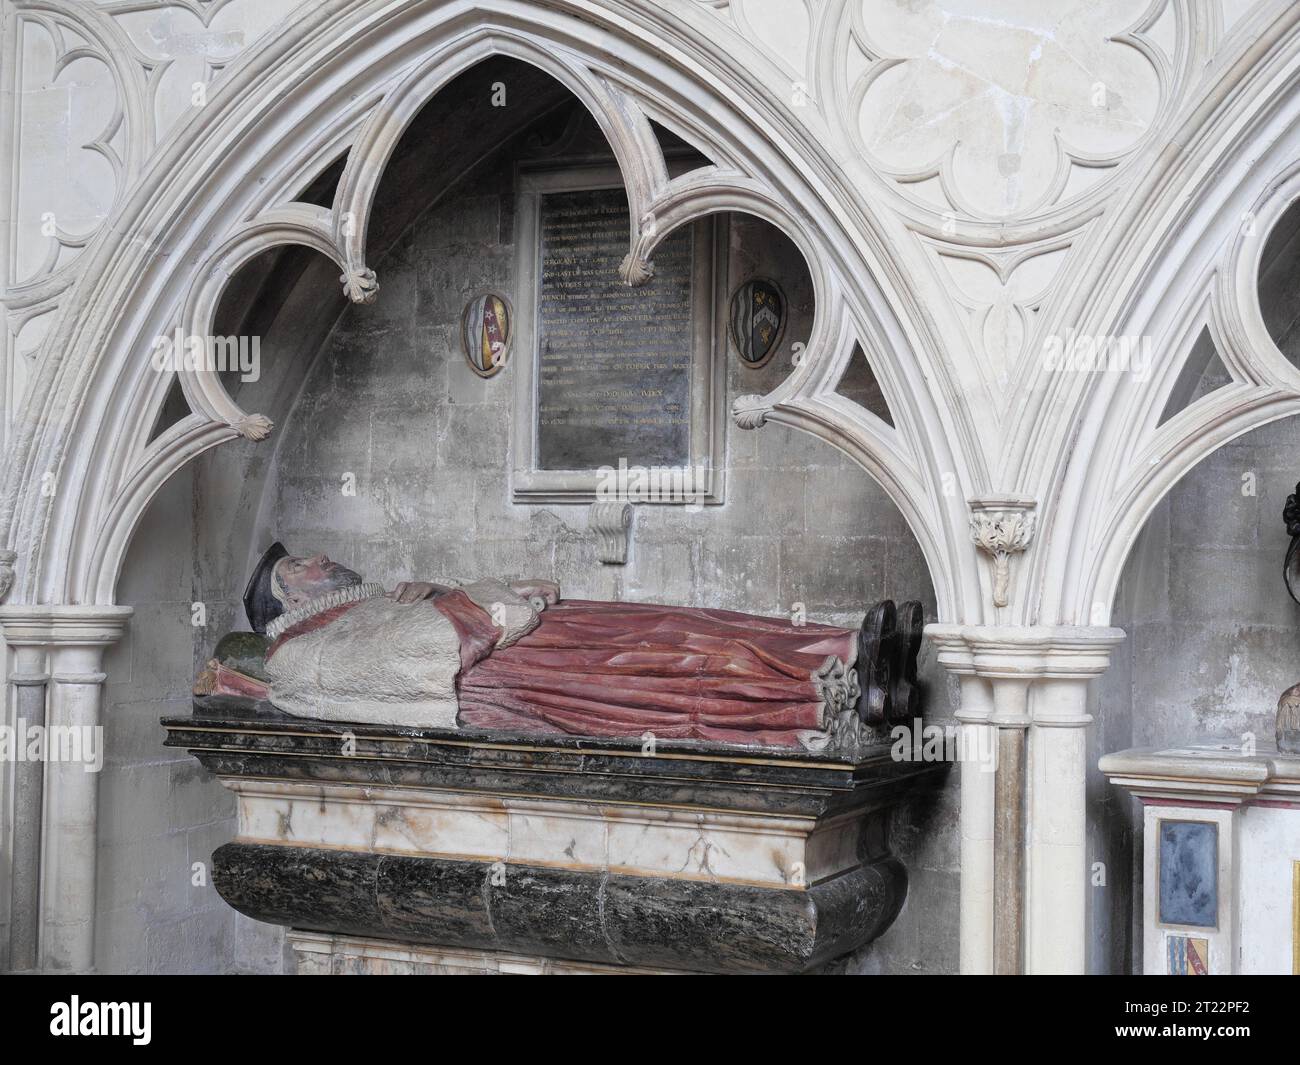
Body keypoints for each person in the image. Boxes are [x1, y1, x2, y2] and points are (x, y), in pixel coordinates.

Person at [194, 543, 918, 751]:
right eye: (302, 569)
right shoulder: (299, 654)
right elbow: (418, 657)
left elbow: (437, 615)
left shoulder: (360, 603)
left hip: (520, 637)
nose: (320, 563)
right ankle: (827, 697)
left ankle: (847, 642)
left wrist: (483, 590)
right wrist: (496, 598)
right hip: (504, 678)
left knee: (671, 622)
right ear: (284, 601)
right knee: (665, 673)